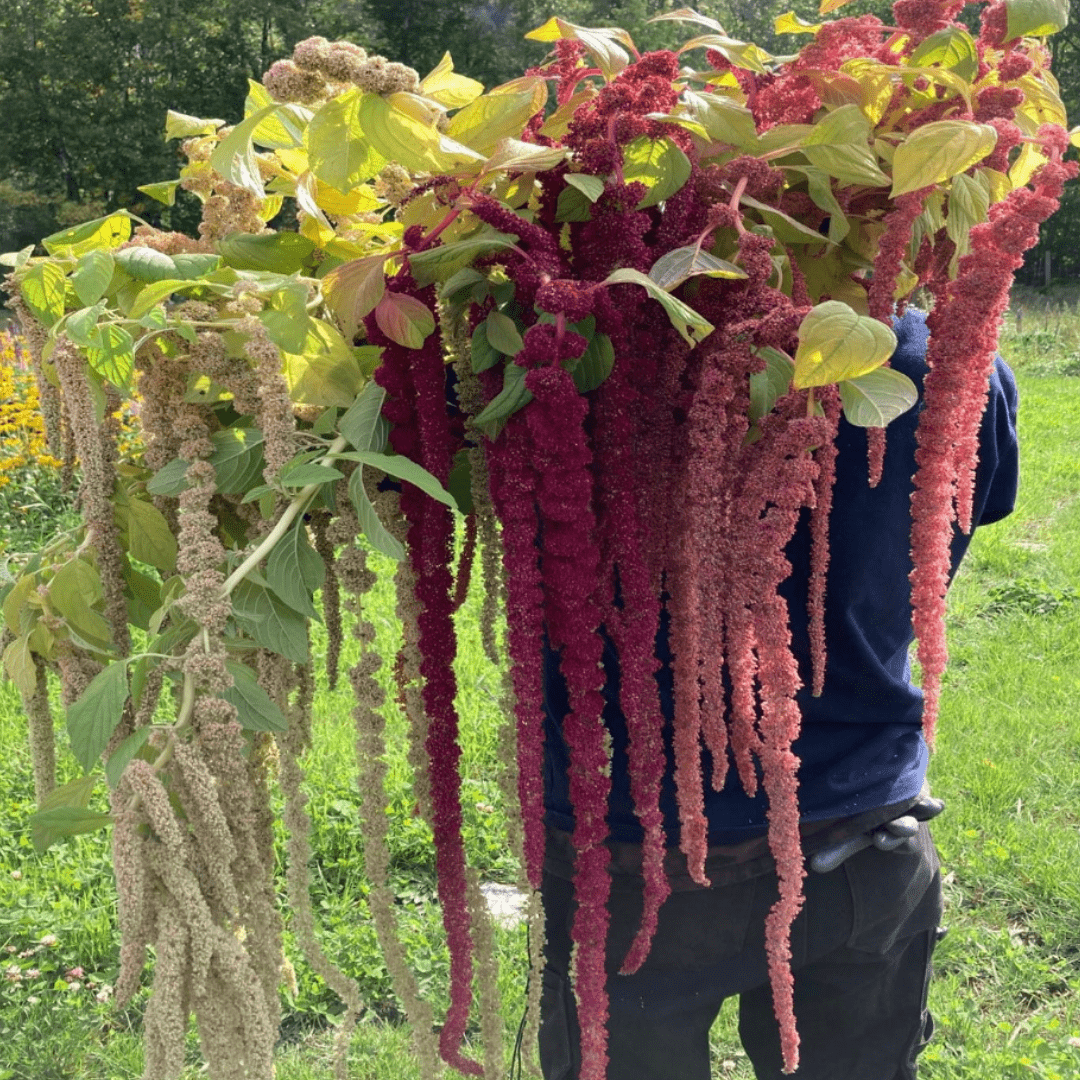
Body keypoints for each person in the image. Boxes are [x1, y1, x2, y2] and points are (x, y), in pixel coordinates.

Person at [537, 307, 1020, 1080]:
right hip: (856, 840)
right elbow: (962, 516)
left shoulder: (560, 353)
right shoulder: (947, 357)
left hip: (632, 856)